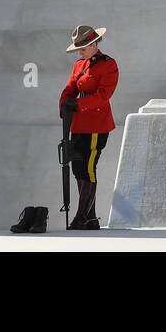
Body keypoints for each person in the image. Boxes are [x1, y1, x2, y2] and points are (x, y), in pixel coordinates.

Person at [58, 24, 119, 230]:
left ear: (94, 44)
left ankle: (82, 216)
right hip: (78, 124)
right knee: (77, 167)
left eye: (83, 47)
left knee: (88, 167)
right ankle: (91, 219)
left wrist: (78, 104)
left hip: (96, 125)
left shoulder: (108, 65)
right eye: (78, 49)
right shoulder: (79, 65)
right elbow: (70, 87)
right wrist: (64, 103)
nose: (80, 51)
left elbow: (103, 96)